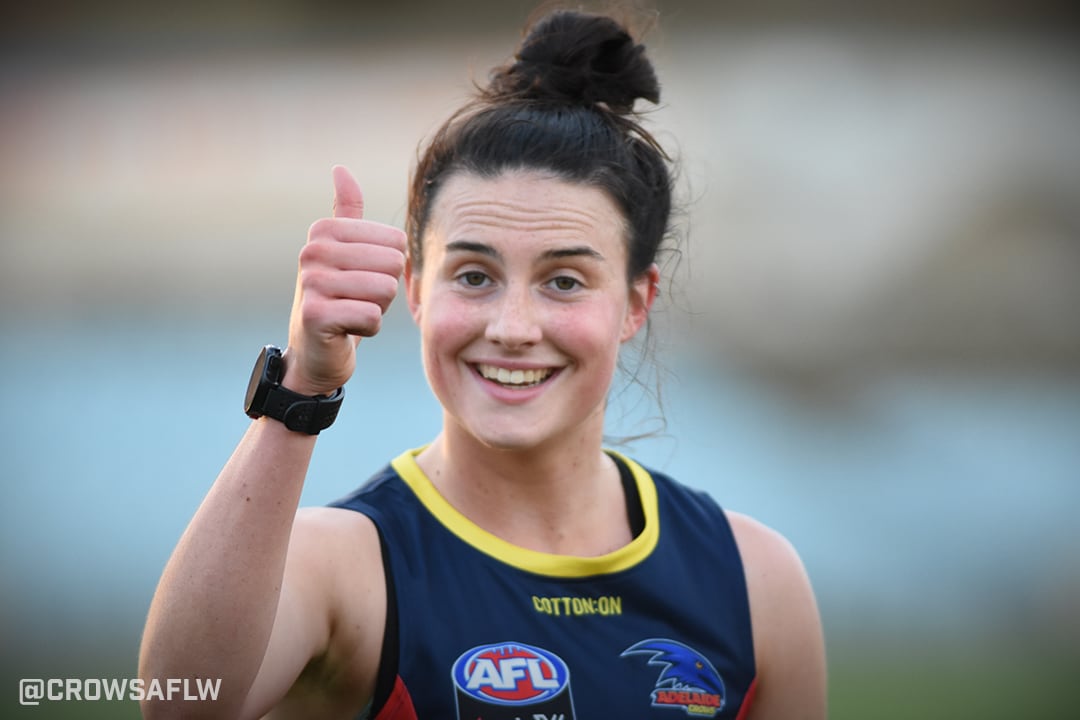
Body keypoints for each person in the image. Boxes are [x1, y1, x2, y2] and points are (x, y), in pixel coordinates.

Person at [139, 7, 826, 719]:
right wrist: (303, 387)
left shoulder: (753, 582)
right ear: (414, 289)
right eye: (473, 276)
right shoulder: (344, 565)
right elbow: (178, 706)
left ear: (634, 303)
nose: (512, 328)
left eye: (565, 281)